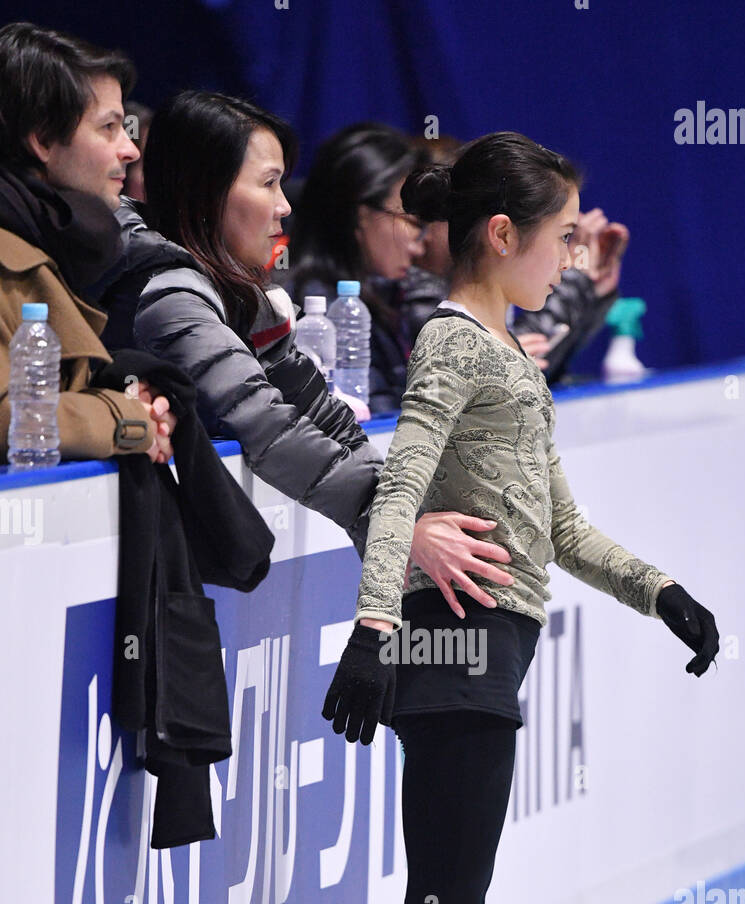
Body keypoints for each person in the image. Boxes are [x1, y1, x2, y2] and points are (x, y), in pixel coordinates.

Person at [309, 130, 719, 904]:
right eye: (564, 238)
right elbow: (400, 481)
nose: (574, 258)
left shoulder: (507, 355)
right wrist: (374, 627)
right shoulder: (455, 341)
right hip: (451, 649)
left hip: (489, 648)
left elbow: (561, 525)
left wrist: (660, 592)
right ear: (502, 235)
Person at [95, 92, 515, 596]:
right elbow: (264, 421)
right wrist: (391, 523)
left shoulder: (243, 296)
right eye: (268, 183)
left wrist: (403, 511)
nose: (284, 205)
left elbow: (321, 412)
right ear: (207, 191)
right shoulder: (171, 297)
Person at [0, 22, 173, 464]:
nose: (130, 150)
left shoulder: (46, 246)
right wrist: (126, 416)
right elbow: (11, 417)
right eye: (109, 127)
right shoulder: (11, 259)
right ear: (42, 139)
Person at [403, 133, 628, 382]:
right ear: (503, 234)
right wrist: (577, 281)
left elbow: (543, 365)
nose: (566, 262)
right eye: (563, 236)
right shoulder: (444, 336)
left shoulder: (481, 322)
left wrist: (590, 290)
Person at [287, 122, 427, 415]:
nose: (419, 247)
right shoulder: (322, 308)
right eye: (412, 221)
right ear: (361, 214)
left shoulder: (384, 295)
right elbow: (373, 422)